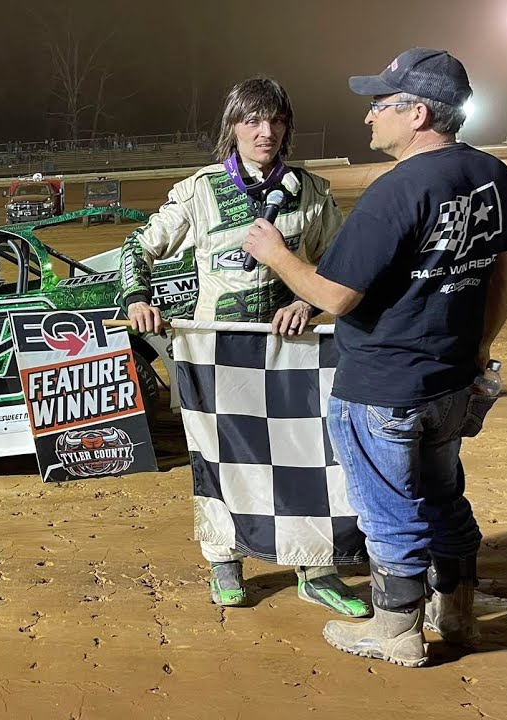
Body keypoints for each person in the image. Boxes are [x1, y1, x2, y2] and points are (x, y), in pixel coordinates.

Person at [241, 48, 507, 667]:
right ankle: (457, 610)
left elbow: (336, 296)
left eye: (380, 104)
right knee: (444, 497)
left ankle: (395, 629)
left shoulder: (395, 191)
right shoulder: (492, 174)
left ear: (417, 113)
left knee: (390, 510)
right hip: (453, 380)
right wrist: (479, 347)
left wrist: (277, 255)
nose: (369, 116)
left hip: (383, 386)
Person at [120, 77, 368, 617]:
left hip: (291, 352)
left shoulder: (312, 193)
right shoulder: (199, 191)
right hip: (220, 355)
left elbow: (343, 266)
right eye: (252, 121)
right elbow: (137, 246)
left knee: (307, 458)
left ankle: (316, 570)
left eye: (275, 121)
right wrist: (138, 297)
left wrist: (308, 304)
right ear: (232, 127)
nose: (265, 132)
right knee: (220, 459)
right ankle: (224, 562)